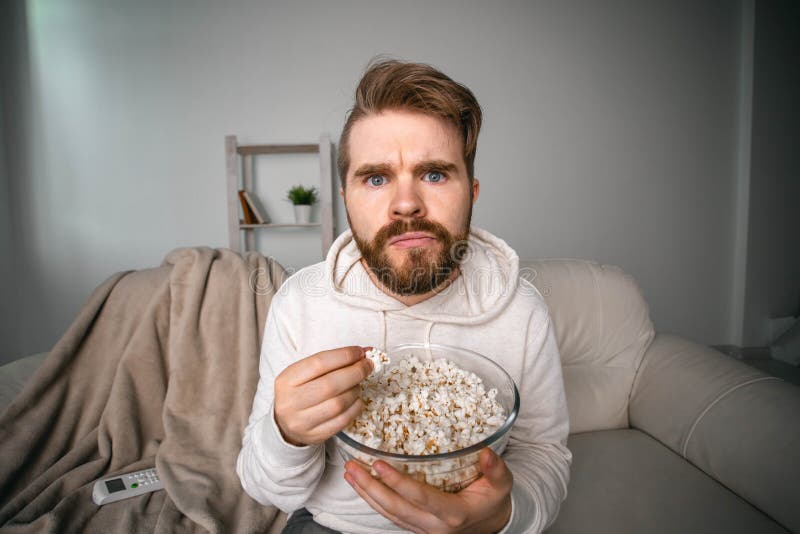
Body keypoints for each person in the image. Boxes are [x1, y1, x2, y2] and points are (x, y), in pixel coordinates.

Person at [237, 59, 571, 534]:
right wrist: (285, 433)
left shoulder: (523, 310)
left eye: (434, 174)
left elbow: (544, 454)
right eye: (375, 178)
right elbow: (267, 488)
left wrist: (503, 516)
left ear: (472, 192)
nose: (406, 203)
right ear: (345, 198)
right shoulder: (300, 302)